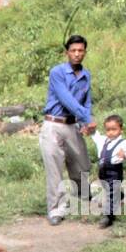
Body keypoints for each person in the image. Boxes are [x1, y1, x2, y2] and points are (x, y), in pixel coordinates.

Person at [41, 34, 95, 226]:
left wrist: (86, 121)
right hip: (53, 125)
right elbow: (67, 100)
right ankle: (56, 209)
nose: (77, 54)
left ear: (85, 52)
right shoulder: (57, 72)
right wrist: (87, 117)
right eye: (73, 50)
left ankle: (83, 194)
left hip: (72, 125)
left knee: (81, 164)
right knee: (55, 169)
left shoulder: (86, 75)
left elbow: (86, 101)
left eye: (80, 50)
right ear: (67, 53)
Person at [94, 114, 126, 229]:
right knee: (108, 189)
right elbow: (95, 135)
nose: (111, 132)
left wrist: (125, 155)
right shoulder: (104, 141)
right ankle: (119, 195)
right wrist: (90, 127)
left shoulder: (124, 143)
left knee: (111, 193)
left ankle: (108, 216)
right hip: (103, 172)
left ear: (120, 130)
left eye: (114, 129)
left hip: (115, 172)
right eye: (108, 130)